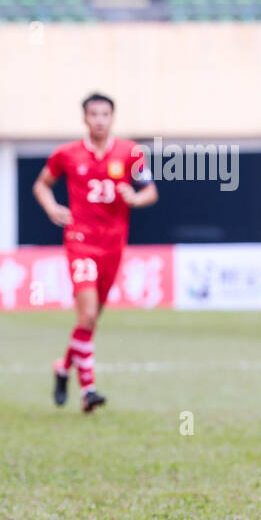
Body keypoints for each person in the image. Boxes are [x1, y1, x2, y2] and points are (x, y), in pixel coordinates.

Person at [32, 93, 157, 412]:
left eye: (105, 114)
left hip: (113, 244)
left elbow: (151, 192)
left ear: (112, 117)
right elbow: (41, 184)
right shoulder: (67, 154)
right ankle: (89, 390)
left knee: (91, 321)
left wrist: (135, 198)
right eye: (94, 114)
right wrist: (51, 207)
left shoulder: (131, 152)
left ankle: (63, 367)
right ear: (84, 118)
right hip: (80, 240)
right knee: (86, 315)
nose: (100, 119)